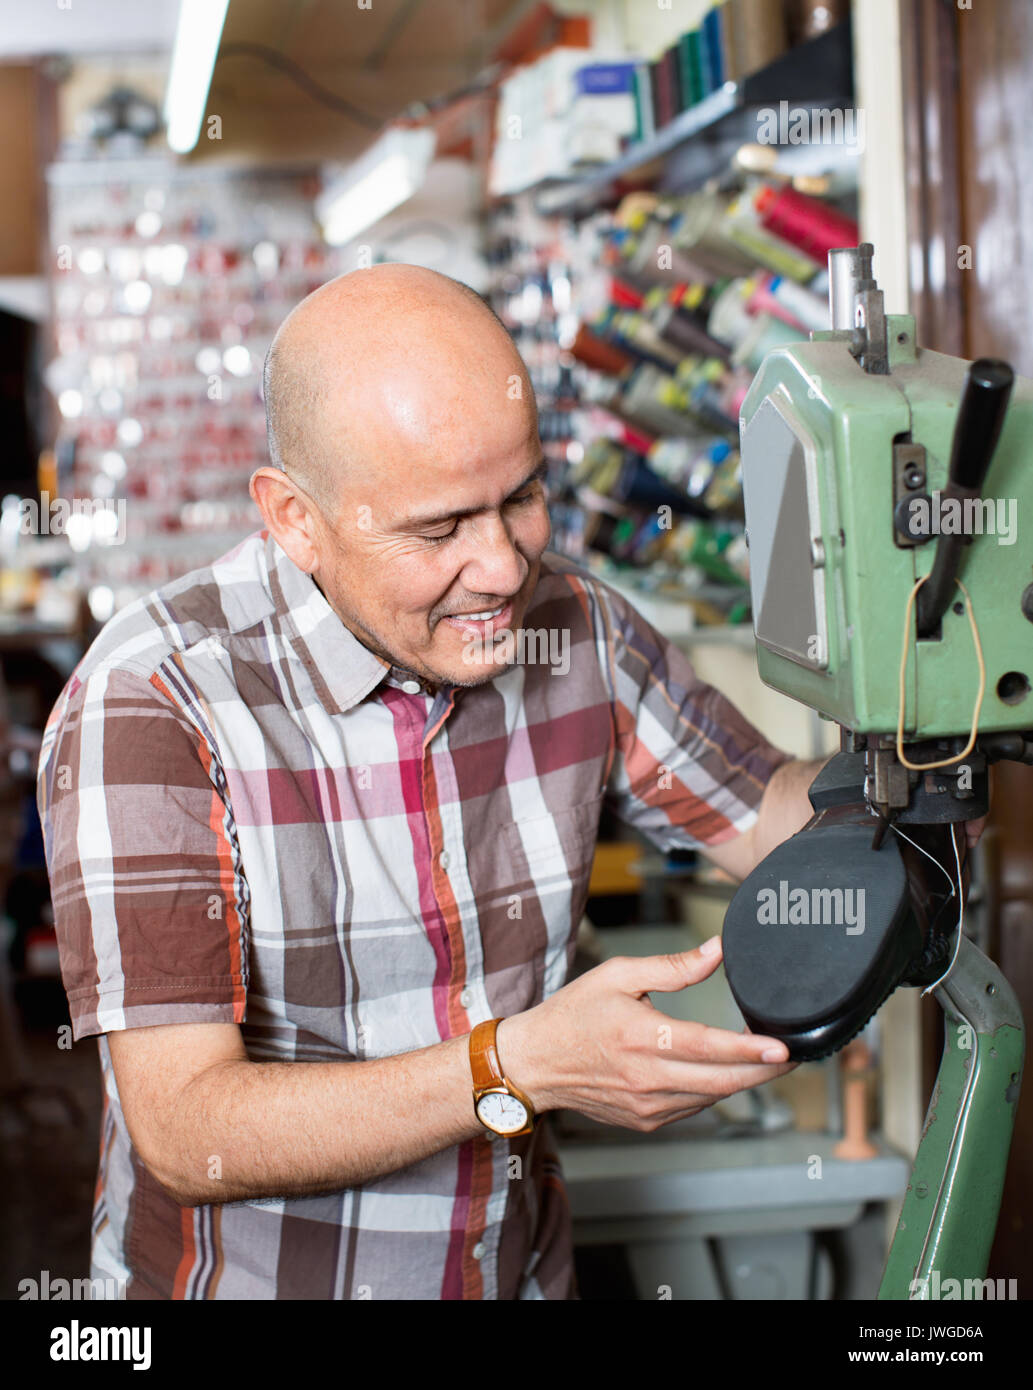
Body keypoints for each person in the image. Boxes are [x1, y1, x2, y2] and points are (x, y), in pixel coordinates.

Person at [38, 263, 828, 1301]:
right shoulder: (154, 701)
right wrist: (520, 1065)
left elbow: (772, 820)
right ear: (294, 518)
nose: (502, 565)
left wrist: (930, 733)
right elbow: (189, 1128)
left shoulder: (572, 630)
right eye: (439, 528)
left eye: (523, 497)